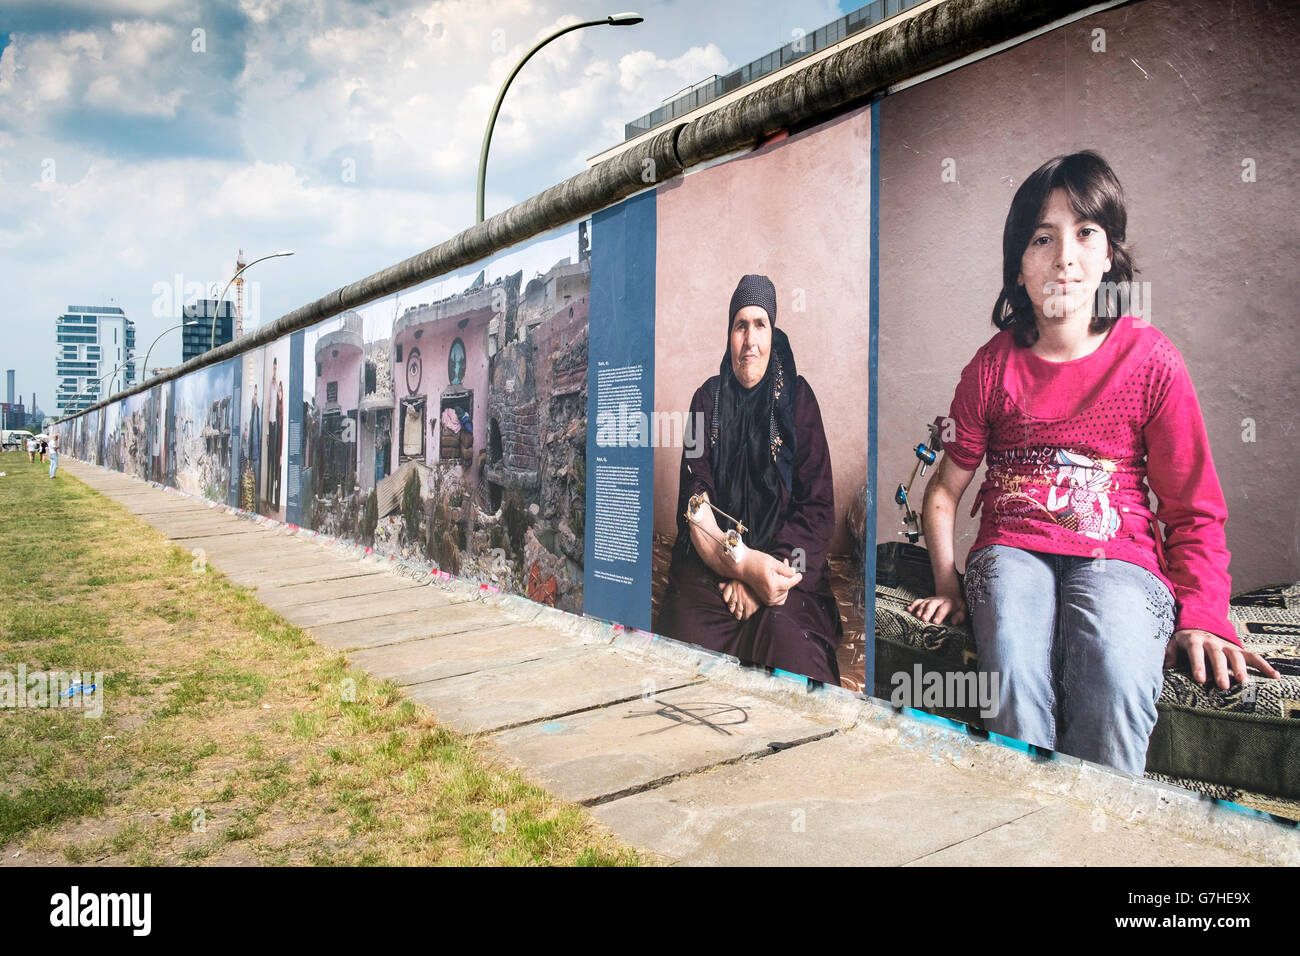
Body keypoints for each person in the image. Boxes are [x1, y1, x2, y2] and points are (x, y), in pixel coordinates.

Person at [907, 151, 1279, 776]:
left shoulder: (1152, 361)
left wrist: (1206, 615)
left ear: (1110, 256)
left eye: (1086, 233)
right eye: (1042, 239)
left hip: (1121, 558)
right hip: (1013, 550)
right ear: (1018, 267)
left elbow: (1194, 511)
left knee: (1112, 666)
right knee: (1015, 677)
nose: (1065, 257)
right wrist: (948, 584)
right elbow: (943, 492)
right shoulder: (991, 367)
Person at [656, 274, 843, 684]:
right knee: (682, 644)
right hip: (714, 569)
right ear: (729, 334)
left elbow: (816, 509)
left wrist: (764, 579)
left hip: (784, 571)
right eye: (741, 325)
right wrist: (743, 566)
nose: (750, 340)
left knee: (791, 649)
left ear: (774, 333)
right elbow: (695, 503)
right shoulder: (705, 401)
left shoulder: (799, 400)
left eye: (761, 325)